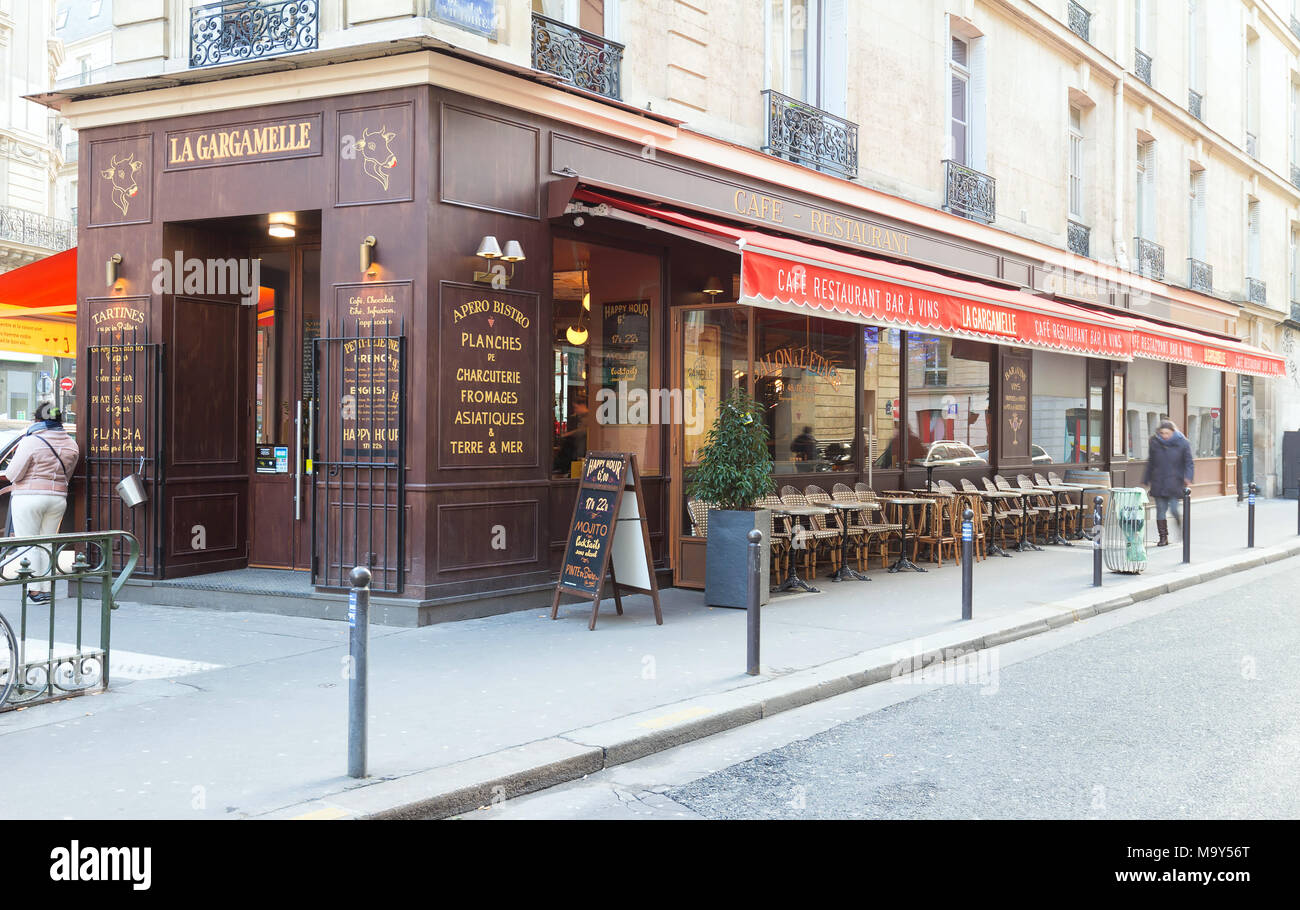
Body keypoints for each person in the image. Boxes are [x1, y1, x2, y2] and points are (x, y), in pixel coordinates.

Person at [0, 402, 79, 602]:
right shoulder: (71, 444)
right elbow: (67, 475)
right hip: (57, 498)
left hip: (28, 498)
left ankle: (35, 591)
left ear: (38, 420)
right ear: (59, 420)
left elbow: (12, 473)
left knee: (29, 543)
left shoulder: (32, 441)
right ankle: (46, 589)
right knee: (47, 543)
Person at [1142, 418, 1194, 547]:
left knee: (1174, 509)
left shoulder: (1183, 443)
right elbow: (1151, 462)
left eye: (1167, 433)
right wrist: (1146, 478)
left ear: (1173, 432)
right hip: (1158, 481)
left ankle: (1179, 525)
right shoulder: (1154, 443)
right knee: (1160, 510)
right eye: (1162, 433)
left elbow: (1189, 462)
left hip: (1174, 482)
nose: (1164, 436)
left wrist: (1188, 477)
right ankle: (1163, 537)